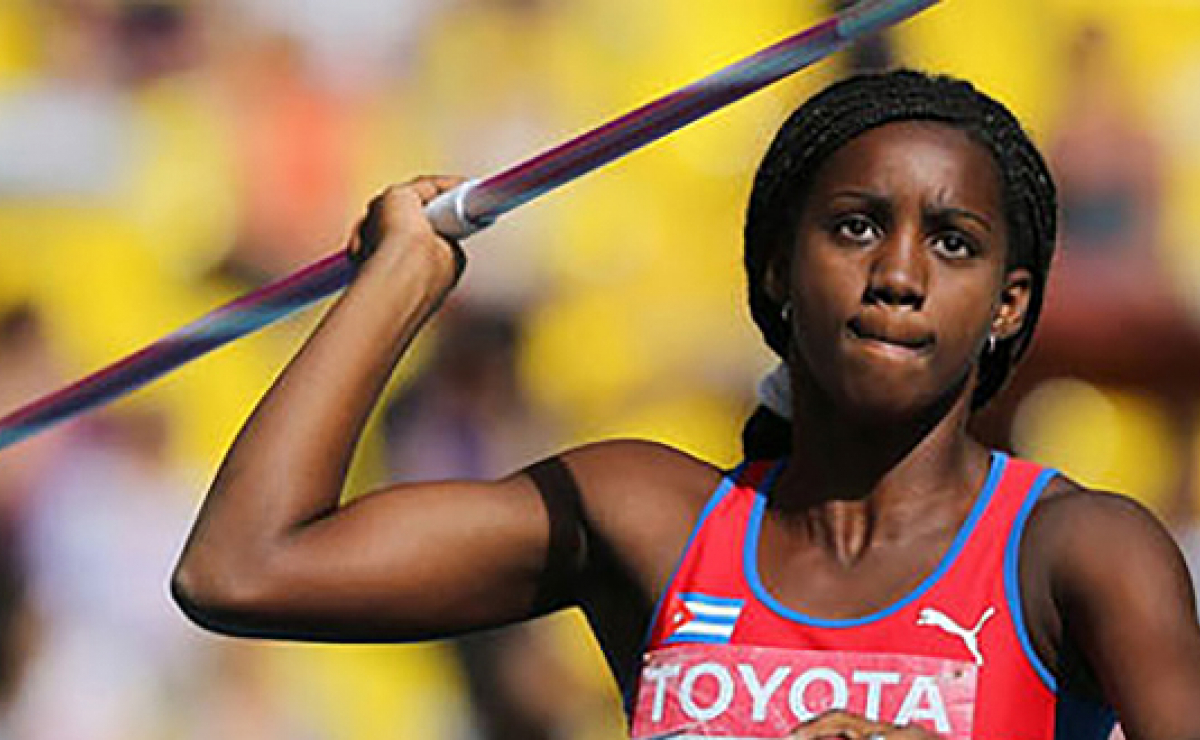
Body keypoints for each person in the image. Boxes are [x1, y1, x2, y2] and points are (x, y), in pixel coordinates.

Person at [170, 70, 1200, 739]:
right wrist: (402, 280)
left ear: (1010, 305)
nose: (898, 273)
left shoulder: (1082, 549)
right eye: (852, 227)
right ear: (775, 269)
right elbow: (241, 566)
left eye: (954, 242)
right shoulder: (648, 515)